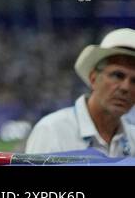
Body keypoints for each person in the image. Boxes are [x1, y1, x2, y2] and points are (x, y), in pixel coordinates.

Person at [23, 28, 135, 157]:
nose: (125, 87)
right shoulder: (52, 131)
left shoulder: (132, 139)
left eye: (134, 81)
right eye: (117, 75)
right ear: (93, 78)